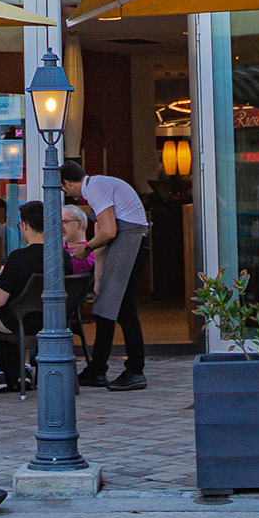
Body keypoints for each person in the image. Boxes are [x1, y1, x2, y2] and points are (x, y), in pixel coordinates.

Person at [0, 200, 70, 393]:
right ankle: (25, 369)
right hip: (55, 322)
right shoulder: (62, 256)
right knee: (26, 307)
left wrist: (0, 281)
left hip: (19, 322)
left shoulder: (18, 258)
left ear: (26, 226)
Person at [62, 161, 149, 391]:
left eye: (65, 190)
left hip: (131, 241)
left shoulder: (96, 188)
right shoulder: (98, 187)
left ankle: (135, 370)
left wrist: (86, 248)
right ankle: (97, 369)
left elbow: (108, 231)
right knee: (105, 307)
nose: (68, 195)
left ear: (67, 184)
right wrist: (98, 279)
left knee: (124, 308)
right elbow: (105, 235)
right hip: (126, 242)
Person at [61, 204, 95, 276]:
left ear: (80, 225)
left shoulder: (86, 254)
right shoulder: (58, 250)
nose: (61, 226)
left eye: (65, 222)